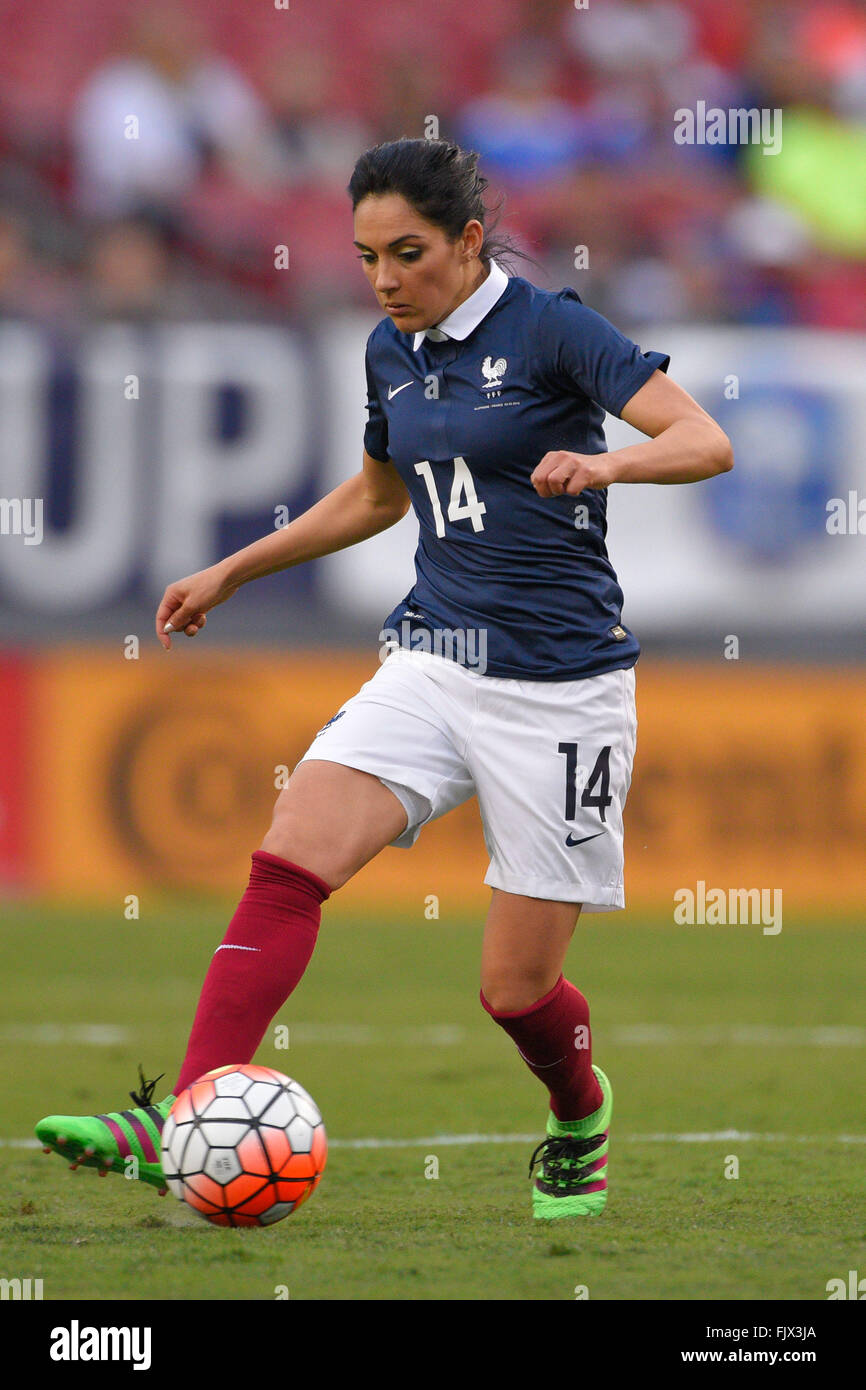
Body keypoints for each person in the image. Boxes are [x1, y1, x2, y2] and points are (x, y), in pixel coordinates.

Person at [36, 138, 732, 1220]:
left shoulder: (553, 330)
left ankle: (578, 1109)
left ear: (465, 241)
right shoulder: (388, 349)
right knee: (286, 862)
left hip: (559, 690)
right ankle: (181, 1115)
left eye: (405, 253)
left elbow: (701, 440)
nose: (384, 279)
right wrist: (232, 566)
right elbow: (375, 497)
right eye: (366, 258)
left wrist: (604, 461)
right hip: (432, 657)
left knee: (514, 992)